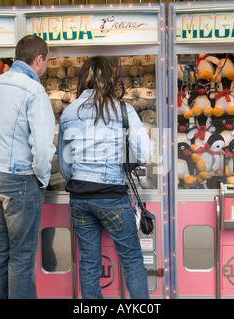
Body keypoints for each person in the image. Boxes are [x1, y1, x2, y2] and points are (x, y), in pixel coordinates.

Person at [58, 56, 152, 299]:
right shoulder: (122, 109)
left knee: (89, 263)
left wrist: (77, 178)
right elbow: (146, 153)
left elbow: (64, 163)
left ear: (82, 80)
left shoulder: (69, 112)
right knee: (132, 260)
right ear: (109, 80)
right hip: (112, 196)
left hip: (79, 198)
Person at [0, 35, 56, 299]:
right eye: (47, 61)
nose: (46, 67)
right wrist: (42, 178)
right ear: (39, 59)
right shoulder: (34, 90)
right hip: (19, 179)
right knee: (21, 257)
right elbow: (43, 145)